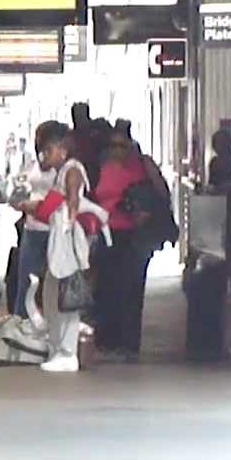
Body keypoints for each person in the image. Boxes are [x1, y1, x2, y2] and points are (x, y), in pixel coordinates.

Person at [92, 127, 171, 362]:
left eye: (122, 145)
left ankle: (129, 343)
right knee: (107, 288)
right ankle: (108, 340)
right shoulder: (101, 168)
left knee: (132, 288)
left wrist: (147, 211)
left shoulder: (142, 167)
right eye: (113, 146)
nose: (118, 151)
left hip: (135, 235)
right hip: (107, 233)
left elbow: (161, 194)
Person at [38, 123, 91, 372]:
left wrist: (68, 225)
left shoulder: (72, 169)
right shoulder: (60, 172)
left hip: (67, 238)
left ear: (62, 148)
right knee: (52, 293)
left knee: (67, 294)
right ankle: (57, 346)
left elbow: (73, 199)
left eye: (48, 150)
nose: (45, 156)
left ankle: (68, 352)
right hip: (59, 237)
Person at [9, 121, 60, 319]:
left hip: (53, 229)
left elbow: (58, 199)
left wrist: (33, 207)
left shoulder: (64, 167)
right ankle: (21, 322)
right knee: (26, 280)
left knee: (52, 284)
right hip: (31, 228)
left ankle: (49, 324)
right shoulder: (33, 164)